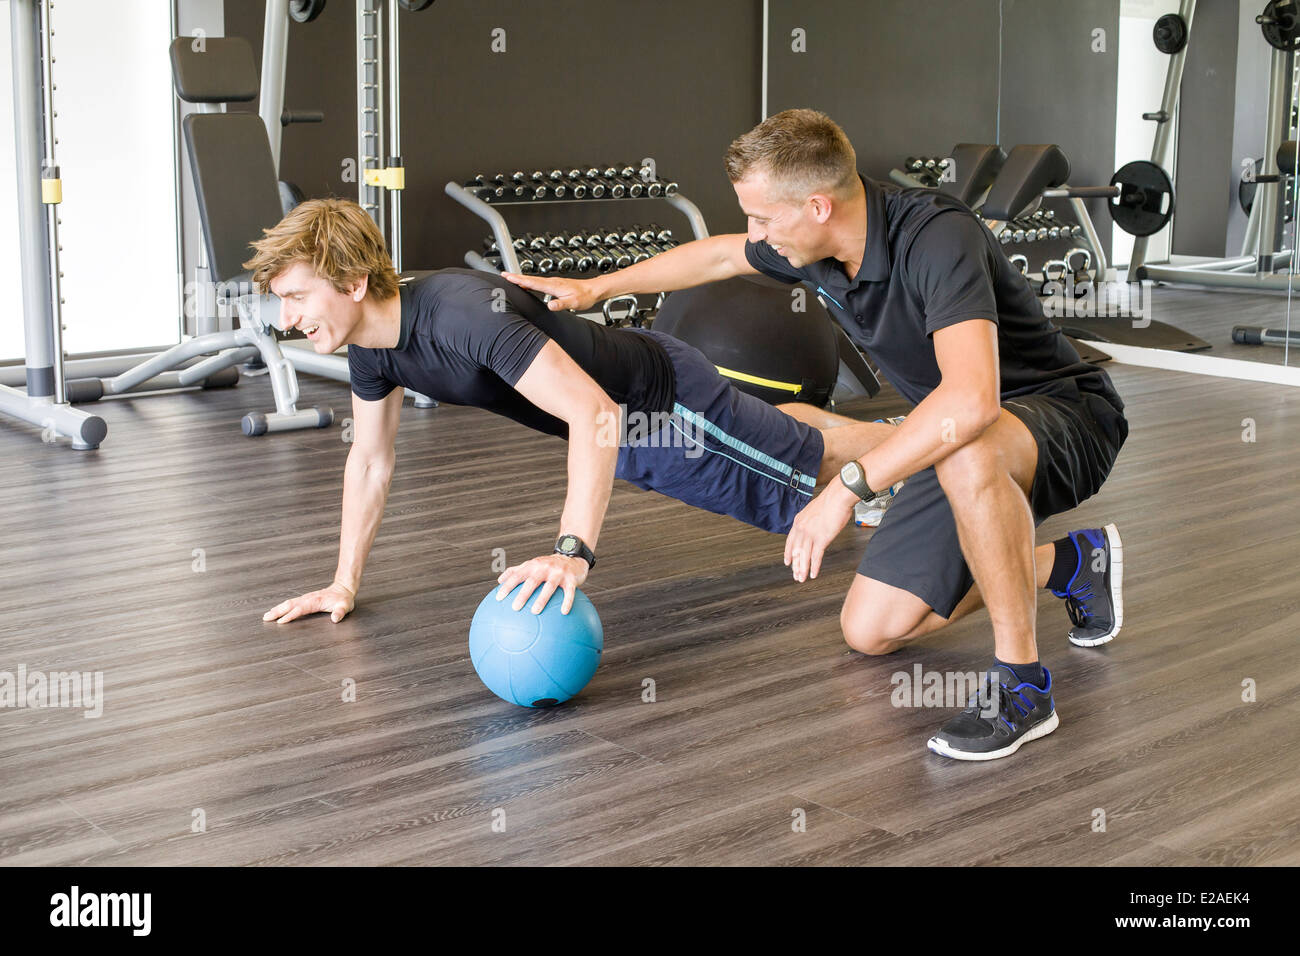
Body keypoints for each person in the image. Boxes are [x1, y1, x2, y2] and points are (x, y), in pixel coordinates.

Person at [504, 108, 1129, 760]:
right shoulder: (814, 246)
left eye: (764, 220)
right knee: (872, 630)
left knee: (967, 448)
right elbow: (718, 257)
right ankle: (1075, 565)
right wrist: (596, 287)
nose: (756, 235)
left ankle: (1023, 686)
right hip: (957, 432)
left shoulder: (938, 237)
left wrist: (846, 491)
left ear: (819, 206)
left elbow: (972, 401)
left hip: (1063, 415)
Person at [251, 198, 900, 627]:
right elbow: (369, 462)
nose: (287, 320)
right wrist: (343, 584)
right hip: (624, 420)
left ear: (354, 284)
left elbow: (594, 414)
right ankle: (888, 443)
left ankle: (910, 449)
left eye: (296, 297)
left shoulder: (463, 317)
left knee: (796, 468)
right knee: (779, 441)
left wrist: (572, 552)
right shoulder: (372, 348)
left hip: (659, 405)